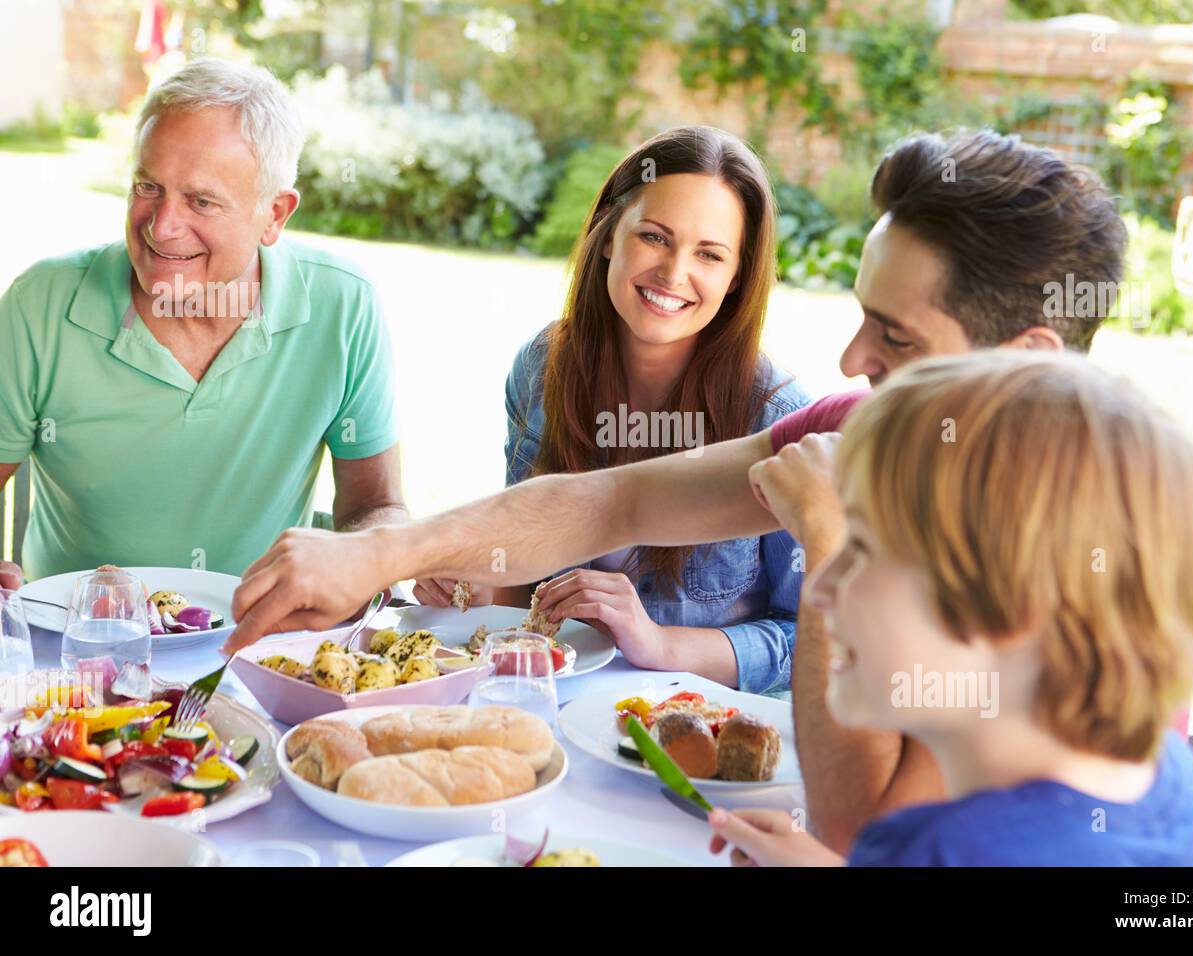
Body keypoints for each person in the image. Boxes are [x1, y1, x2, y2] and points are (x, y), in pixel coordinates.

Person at [221, 130, 1126, 849]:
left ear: (1025, 363)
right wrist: (379, 550)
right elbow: (613, 502)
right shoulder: (862, 427)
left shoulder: (1054, 546)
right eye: (859, 317)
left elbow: (862, 827)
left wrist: (835, 556)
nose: (852, 361)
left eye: (896, 337)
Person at [705, 350, 1193, 866]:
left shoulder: (935, 849)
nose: (818, 591)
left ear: (1009, 609)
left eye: (859, 549)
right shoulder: (1170, 780)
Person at [420, 127, 809, 692]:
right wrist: (481, 582)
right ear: (608, 235)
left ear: (735, 279)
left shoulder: (778, 419)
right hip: (551, 705)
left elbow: (815, 641)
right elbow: (522, 587)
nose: (674, 274)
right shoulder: (543, 364)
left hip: (683, 732)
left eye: (709, 254)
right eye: (654, 237)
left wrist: (656, 640)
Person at [0, 58, 405, 589]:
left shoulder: (343, 305)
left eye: (201, 200)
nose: (163, 227)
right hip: (80, 644)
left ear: (275, 215)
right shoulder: (42, 303)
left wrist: (389, 556)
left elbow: (374, 506)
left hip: (262, 648)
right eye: (148, 187)